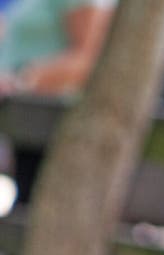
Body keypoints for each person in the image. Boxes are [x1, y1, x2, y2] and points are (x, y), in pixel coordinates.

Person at [0, 0, 116, 201]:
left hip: (48, 120)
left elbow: (87, 58)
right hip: (20, 118)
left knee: (32, 200)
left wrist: (22, 80)